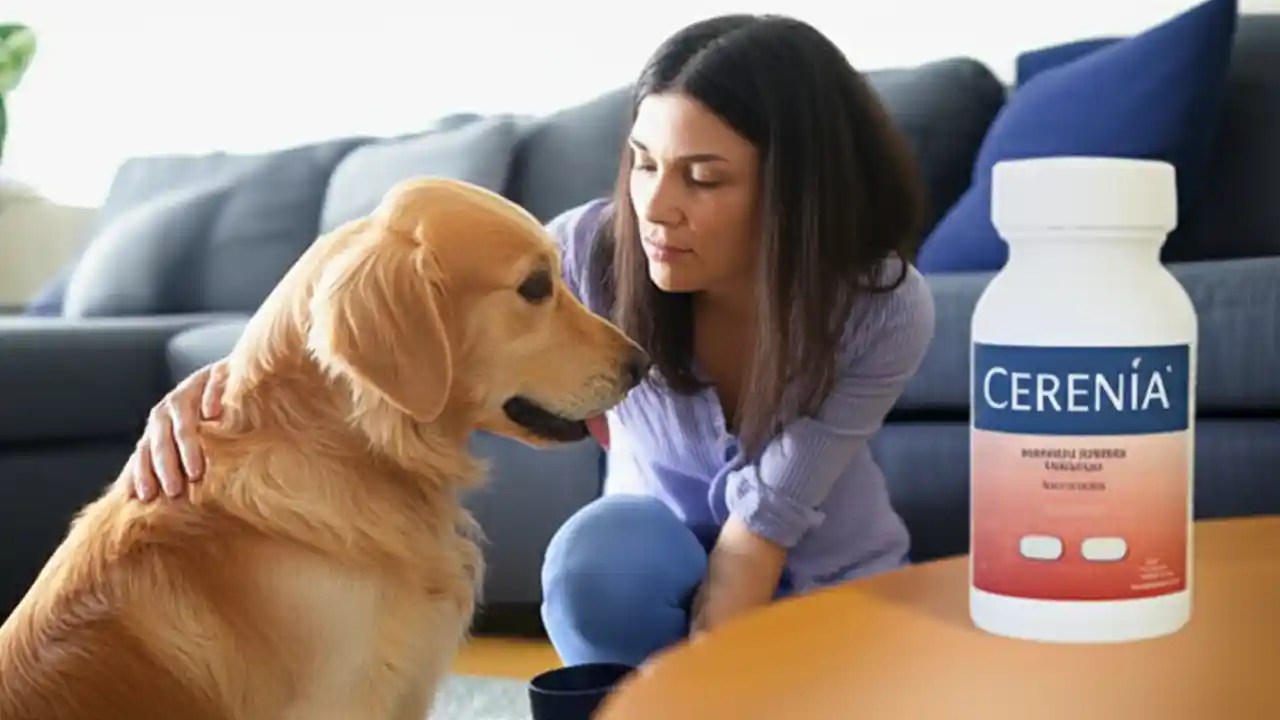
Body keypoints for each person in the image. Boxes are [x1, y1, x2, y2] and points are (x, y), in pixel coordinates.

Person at [127, 13, 935, 670]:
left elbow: (760, 534)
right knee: (598, 558)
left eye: (703, 177)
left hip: (827, 582)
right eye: (644, 164)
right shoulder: (584, 251)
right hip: (646, 568)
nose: (655, 207)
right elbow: (390, 275)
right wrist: (224, 384)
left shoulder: (882, 307)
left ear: (798, 191)